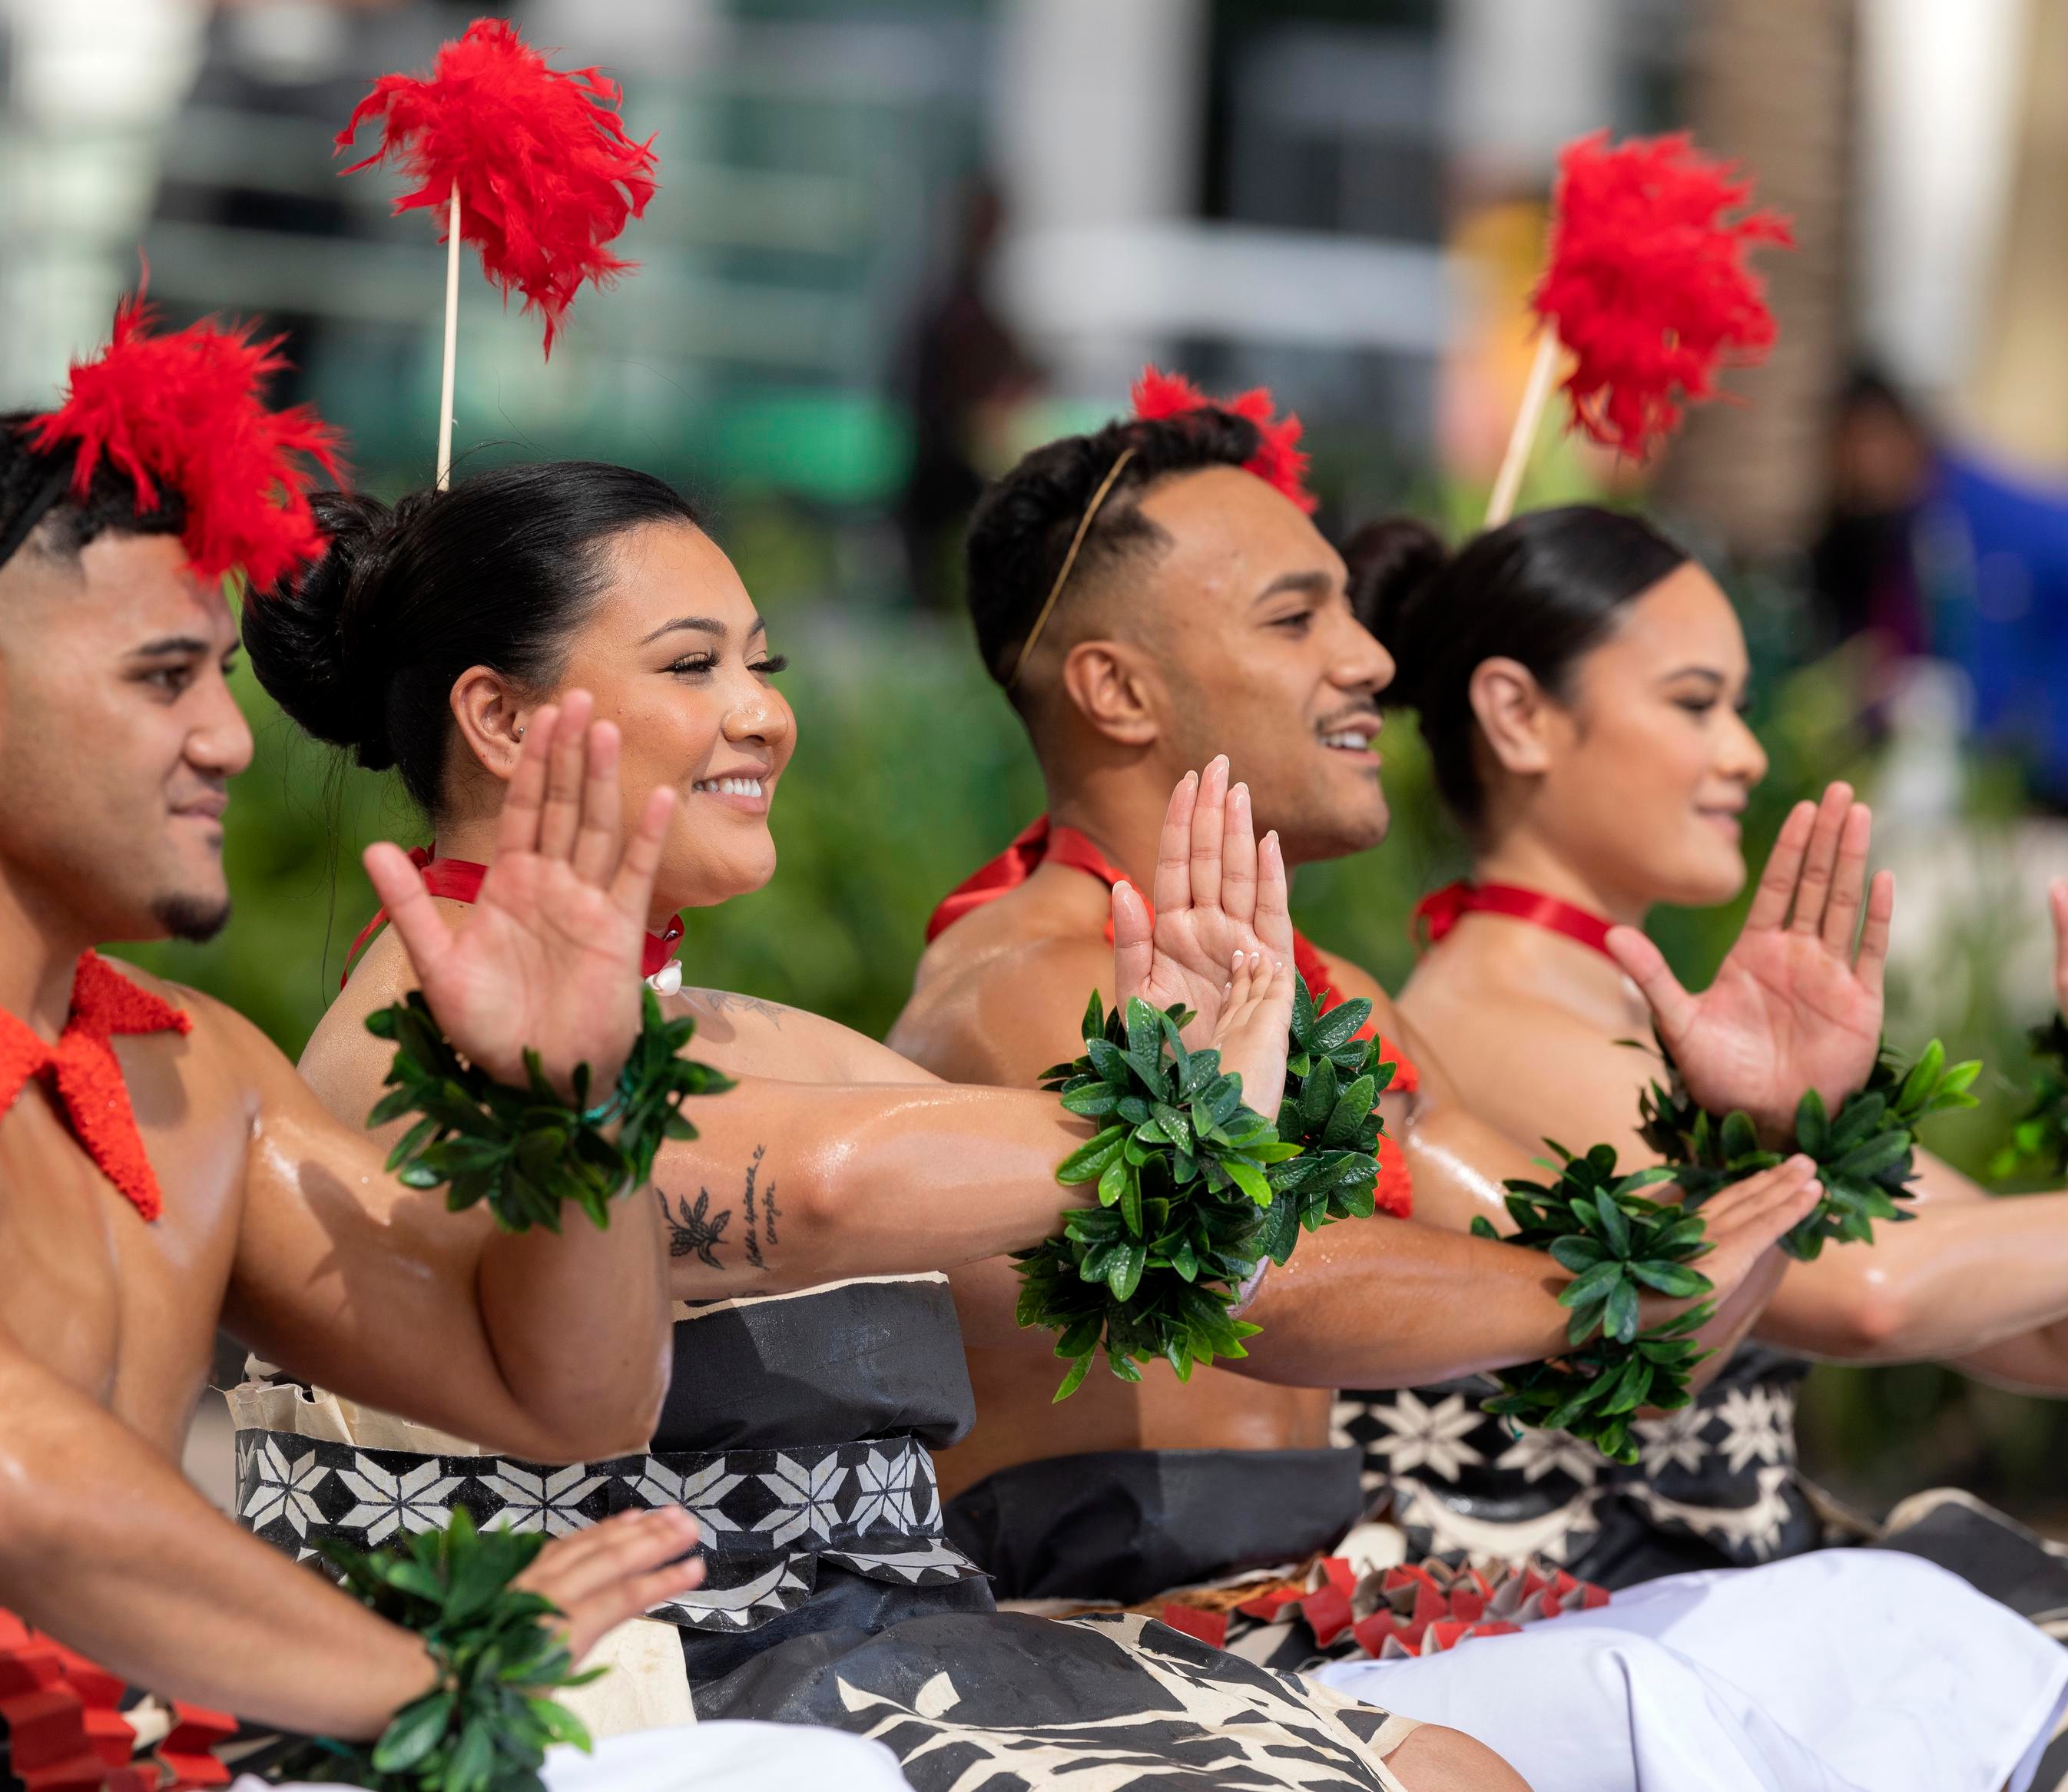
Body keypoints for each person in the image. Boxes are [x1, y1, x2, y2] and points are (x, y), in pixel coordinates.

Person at [236, 459, 1981, 1792]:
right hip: (695, 1692)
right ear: (495, 716)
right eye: (694, 664)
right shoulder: (441, 1038)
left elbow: (1185, 1250)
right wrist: (1178, 1125)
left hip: (898, 1650)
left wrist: (1735, 1188)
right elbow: (843, 1188)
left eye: (760, 661)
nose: (764, 710)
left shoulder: (744, 1024)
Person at [0, 306, 914, 1792]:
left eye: (221, 677)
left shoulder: (193, 1072)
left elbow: (566, 1395)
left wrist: (575, 1101)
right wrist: (408, 1674)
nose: (229, 737)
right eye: (166, 677)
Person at [885, 396, 2068, 1790]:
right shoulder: (1026, 983)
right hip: (1083, 1642)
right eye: (1294, 618)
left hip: (1326, 1622)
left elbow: (1638, 1347)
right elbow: (1266, 1278)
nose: (1372, 658)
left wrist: (1768, 1147)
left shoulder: (1337, 1000)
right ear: (1118, 689)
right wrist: (1595, 1289)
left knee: (1918, 1639)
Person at [1364, 502, 2068, 1616]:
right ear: (1518, 714)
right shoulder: (1492, 1015)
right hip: (1606, 1627)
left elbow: (2036, 1327)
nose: (1745, 752)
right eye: (1695, 703)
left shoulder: (1626, 1013)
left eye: (1737, 707)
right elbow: (1872, 1290)